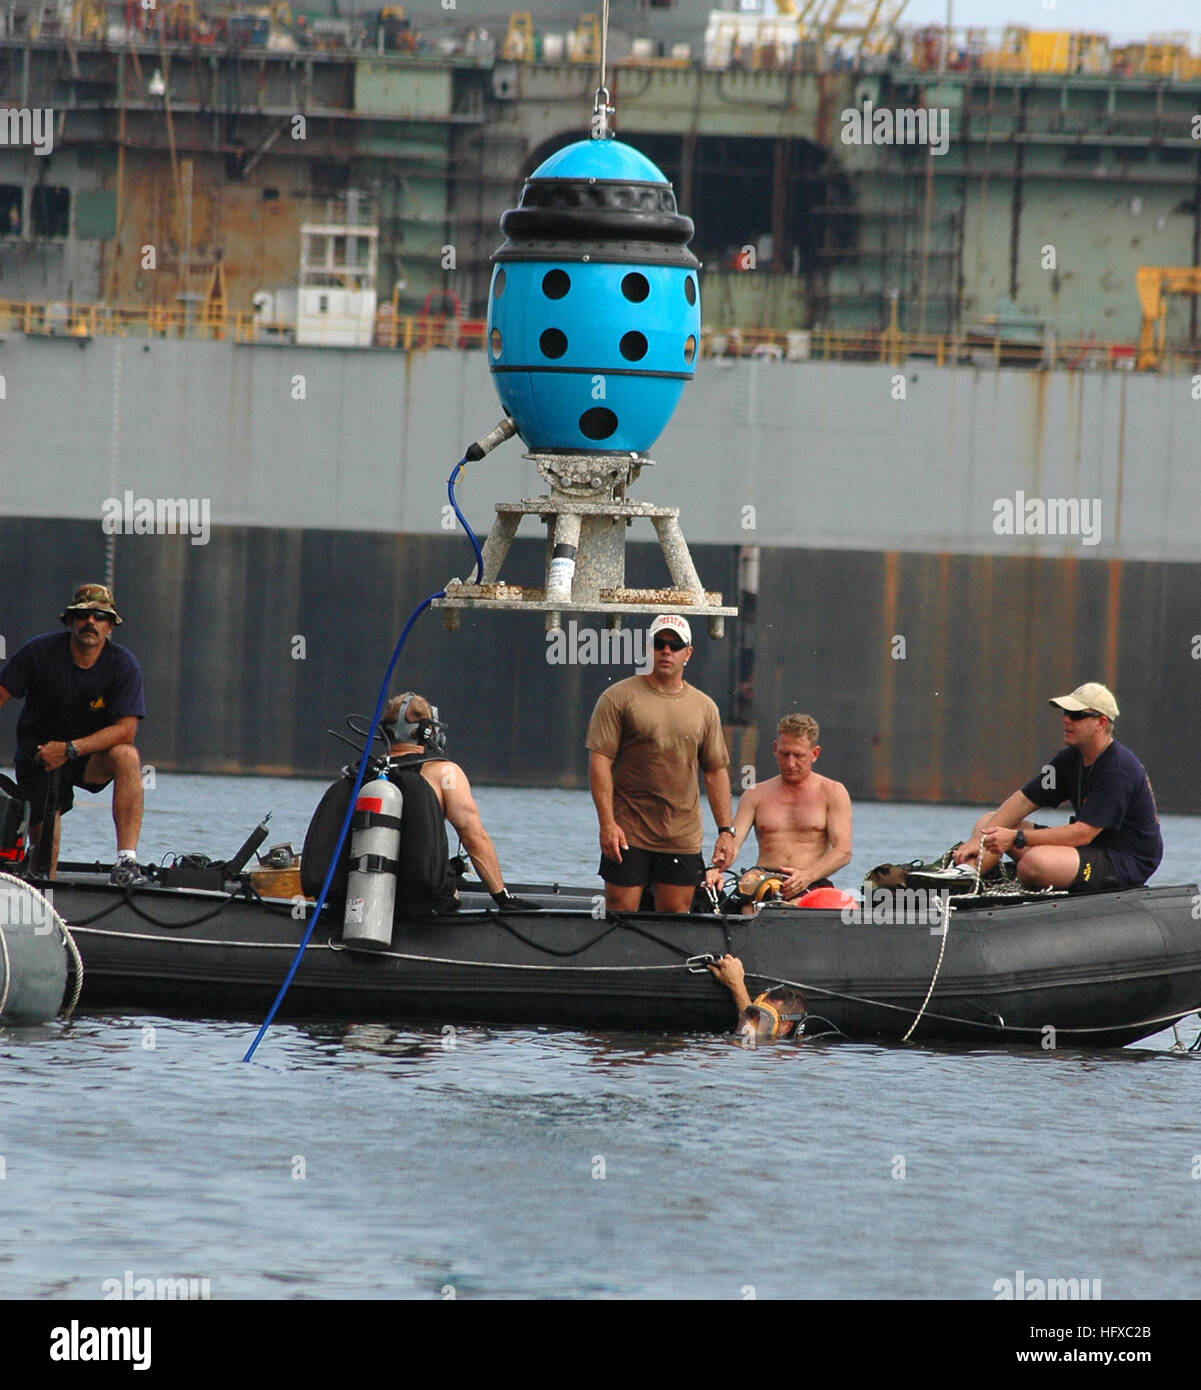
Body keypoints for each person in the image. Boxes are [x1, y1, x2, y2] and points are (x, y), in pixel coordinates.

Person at [586, 614, 734, 914]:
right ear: (648, 647)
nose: (667, 651)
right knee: (620, 913)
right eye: (660, 643)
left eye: (675, 645)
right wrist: (607, 824)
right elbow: (600, 761)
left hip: (681, 835)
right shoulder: (617, 697)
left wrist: (725, 831)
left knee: (675, 919)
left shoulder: (705, 708)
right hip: (628, 831)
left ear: (688, 653)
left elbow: (715, 770)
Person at [0, 583, 147, 884]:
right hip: (39, 760)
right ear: (69, 621)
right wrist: (51, 753)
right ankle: (40, 900)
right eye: (82, 615)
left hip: (85, 758)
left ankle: (126, 862)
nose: (90, 622)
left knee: (127, 755)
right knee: (46, 855)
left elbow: (126, 730)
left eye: (99, 616)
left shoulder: (123, 665)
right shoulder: (38, 652)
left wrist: (69, 749)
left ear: (110, 626)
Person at [951, 682, 1162, 891]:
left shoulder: (1119, 768)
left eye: (1076, 715)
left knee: (1034, 863)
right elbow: (1024, 800)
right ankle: (964, 876)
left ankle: (1028, 873)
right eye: (1065, 712)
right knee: (988, 822)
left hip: (1123, 860)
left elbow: (1082, 834)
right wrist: (979, 840)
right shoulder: (1067, 759)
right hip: (1087, 848)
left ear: (1100, 722)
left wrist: (1016, 838)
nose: (1066, 720)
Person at [379, 691, 537, 915]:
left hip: (364, 892)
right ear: (426, 730)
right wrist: (502, 898)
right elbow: (474, 839)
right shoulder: (445, 774)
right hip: (423, 902)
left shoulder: (363, 772)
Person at [719, 713, 852, 905]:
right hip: (763, 880)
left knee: (802, 906)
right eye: (784, 754)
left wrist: (806, 876)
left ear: (814, 754)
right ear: (775, 749)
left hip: (811, 882)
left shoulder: (833, 792)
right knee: (747, 891)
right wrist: (716, 869)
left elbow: (843, 852)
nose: (790, 763)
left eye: (798, 756)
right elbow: (733, 844)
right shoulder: (754, 794)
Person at [707, 954, 807, 1042]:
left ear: (787, 1027)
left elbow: (751, 1047)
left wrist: (737, 985)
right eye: (753, 1014)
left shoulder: (779, 1058)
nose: (750, 1021)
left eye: (761, 1019)